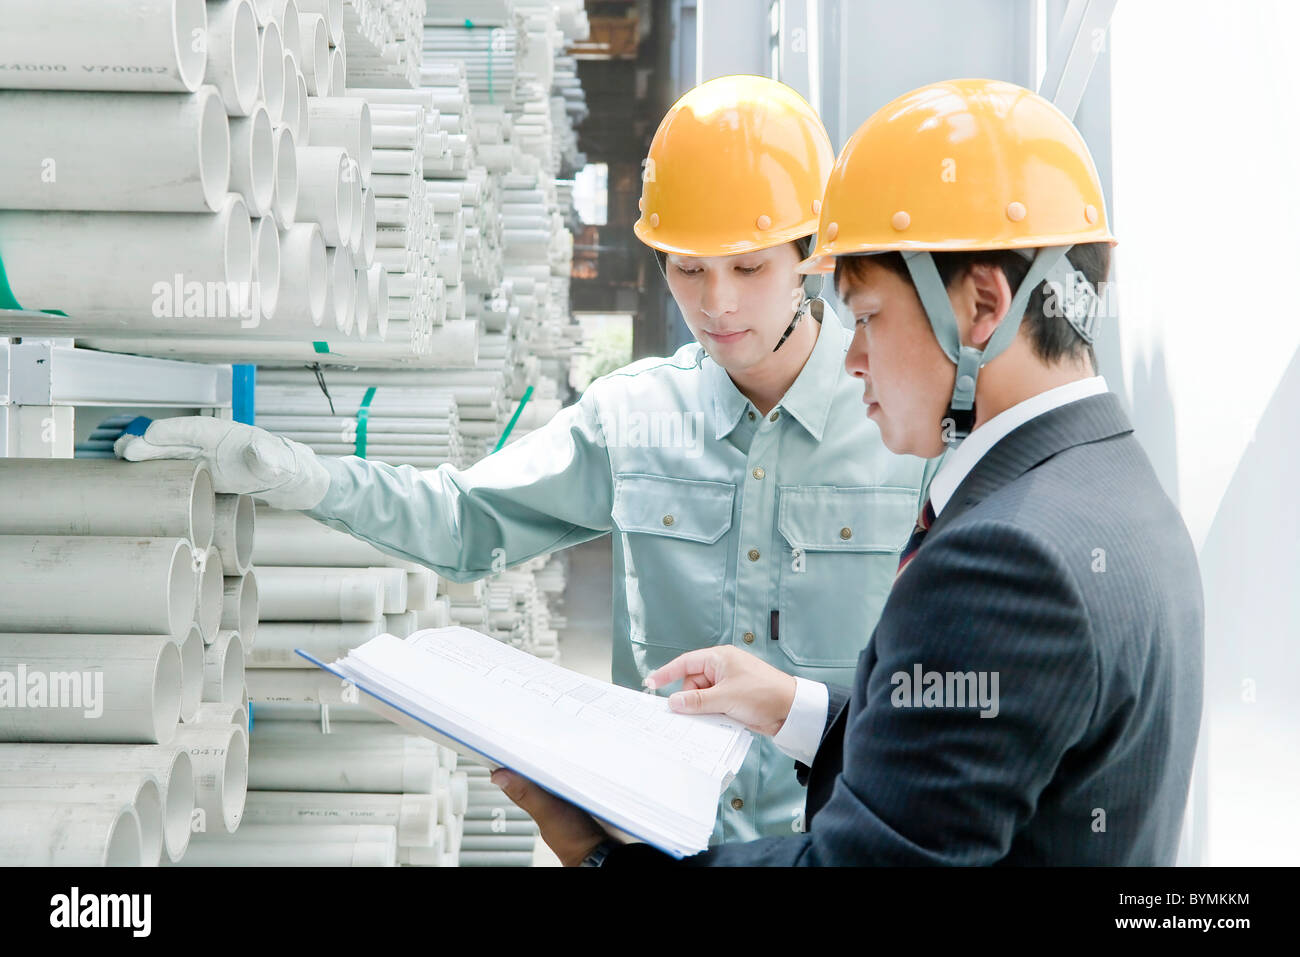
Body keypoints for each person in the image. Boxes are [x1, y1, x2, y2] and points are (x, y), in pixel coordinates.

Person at [115, 74, 936, 845]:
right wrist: (300, 473)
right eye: (689, 269)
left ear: (811, 260)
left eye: (750, 268)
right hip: (655, 847)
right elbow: (464, 520)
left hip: (844, 844)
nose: (716, 303)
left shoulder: (907, 430)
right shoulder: (636, 418)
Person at [491, 77, 1205, 866]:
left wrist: (600, 856)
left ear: (982, 306)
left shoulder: (1006, 558)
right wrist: (798, 708)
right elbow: (960, 775)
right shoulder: (1112, 488)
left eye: (865, 317)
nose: (852, 357)